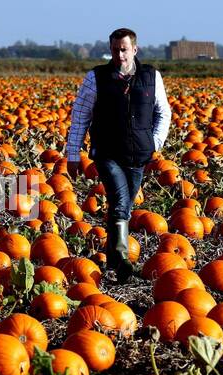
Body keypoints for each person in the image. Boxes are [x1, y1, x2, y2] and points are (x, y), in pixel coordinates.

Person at [65, 28, 171, 282]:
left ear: (134, 49)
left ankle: (112, 256)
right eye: (115, 50)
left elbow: (163, 112)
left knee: (121, 205)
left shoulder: (151, 76)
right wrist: (73, 154)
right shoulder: (96, 78)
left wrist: (154, 142)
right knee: (121, 200)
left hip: (139, 154)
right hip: (107, 152)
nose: (119, 55)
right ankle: (122, 258)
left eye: (124, 49)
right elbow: (80, 116)